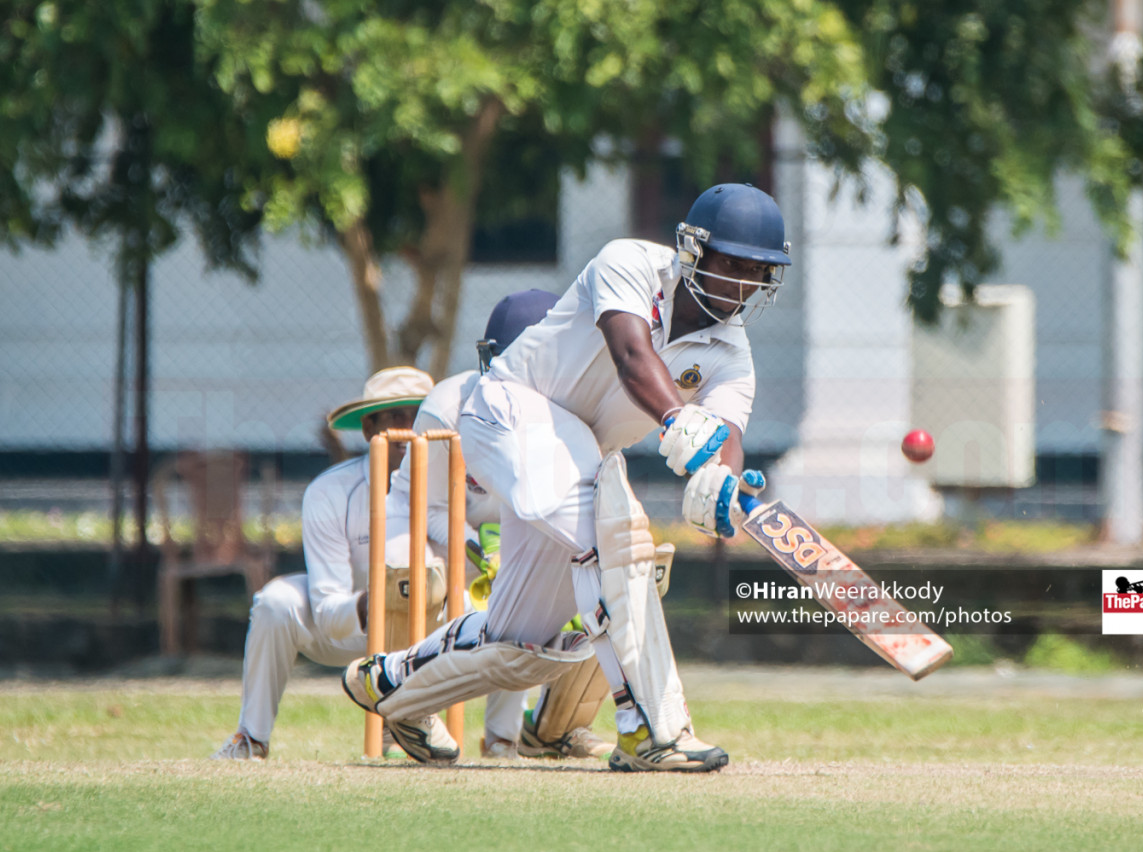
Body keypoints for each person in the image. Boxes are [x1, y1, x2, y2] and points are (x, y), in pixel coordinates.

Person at [342, 183, 788, 773]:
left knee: (525, 646)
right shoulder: (629, 262)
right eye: (733, 265)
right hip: (507, 410)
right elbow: (632, 354)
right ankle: (653, 730)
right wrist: (678, 418)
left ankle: (393, 686)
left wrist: (722, 486)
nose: (743, 286)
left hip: (579, 457)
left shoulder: (733, 356)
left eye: (759, 272)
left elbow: (726, 438)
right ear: (693, 250)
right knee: (619, 538)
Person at [385, 289, 618, 761]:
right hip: (419, 526)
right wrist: (476, 550)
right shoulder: (448, 407)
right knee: (422, 581)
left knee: (587, 583)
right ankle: (402, 713)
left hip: (504, 530)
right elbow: (430, 510)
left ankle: (520, 736)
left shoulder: (572, 413)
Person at [210, 366, 450, 761]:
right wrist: (371, 603)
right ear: (370, 428)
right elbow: (326, 610)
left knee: (499, 600)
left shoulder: (454, 481)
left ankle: (500, 739)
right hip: (349, 634)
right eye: (394, 416)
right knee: (276, 601)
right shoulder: (330, 491)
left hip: (433, 637)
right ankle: (251, 738)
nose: (408, 430)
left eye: (418, 415)